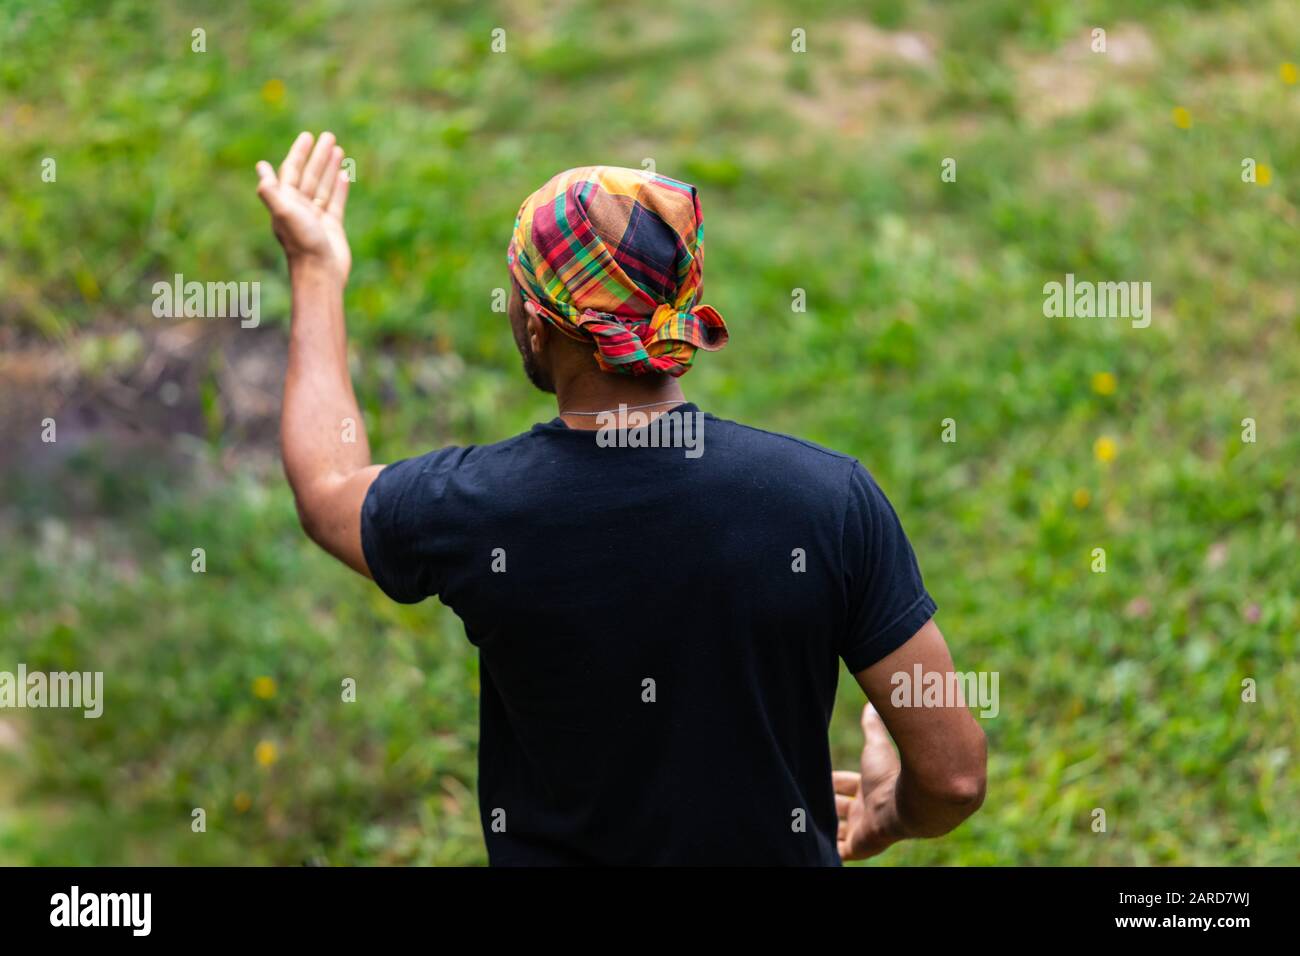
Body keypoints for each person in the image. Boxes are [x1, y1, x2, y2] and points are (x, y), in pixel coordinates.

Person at [254, 132, 987, 865]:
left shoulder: (476, 512)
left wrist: (316, 269)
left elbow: (325, 490)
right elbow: (954, 775)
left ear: (538, 328)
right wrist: (888, 811)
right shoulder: (828, 502)